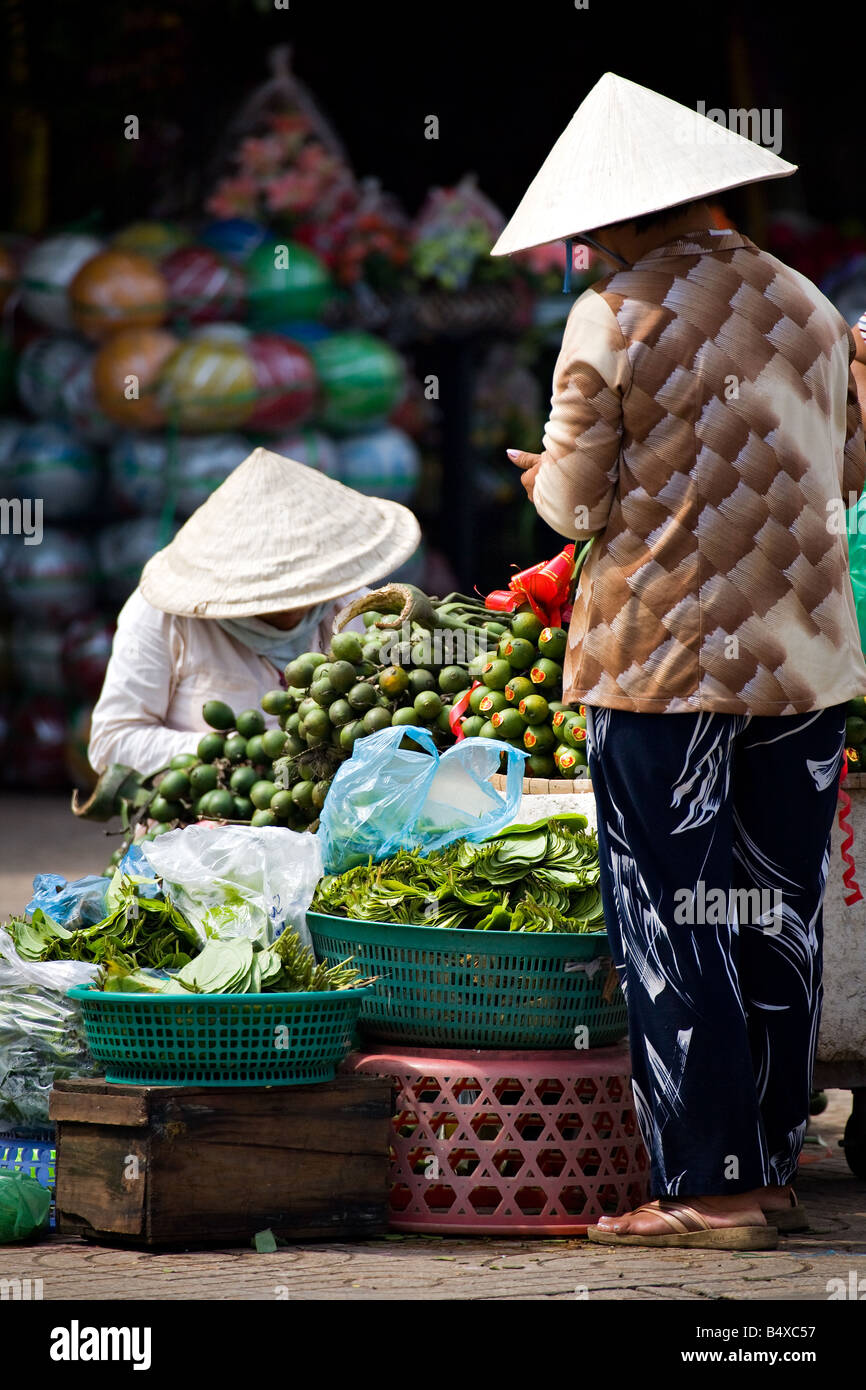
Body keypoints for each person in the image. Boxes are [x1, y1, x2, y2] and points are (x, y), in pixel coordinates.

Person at [495, 73, 866, 1250]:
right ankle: (763, 1169)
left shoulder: (612, 314)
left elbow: (565, 506)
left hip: (662, 661)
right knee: (769, 909)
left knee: (671, 910)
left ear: (609, 215)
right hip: (803, 660)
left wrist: (537, 479)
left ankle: (703, 1191)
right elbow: (843, 474)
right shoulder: (807, 303)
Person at [88, 446, 420, 775]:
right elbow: (113, 743)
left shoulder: (355, 609)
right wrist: (240, 751)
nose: (294, 603)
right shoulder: (163, 617)